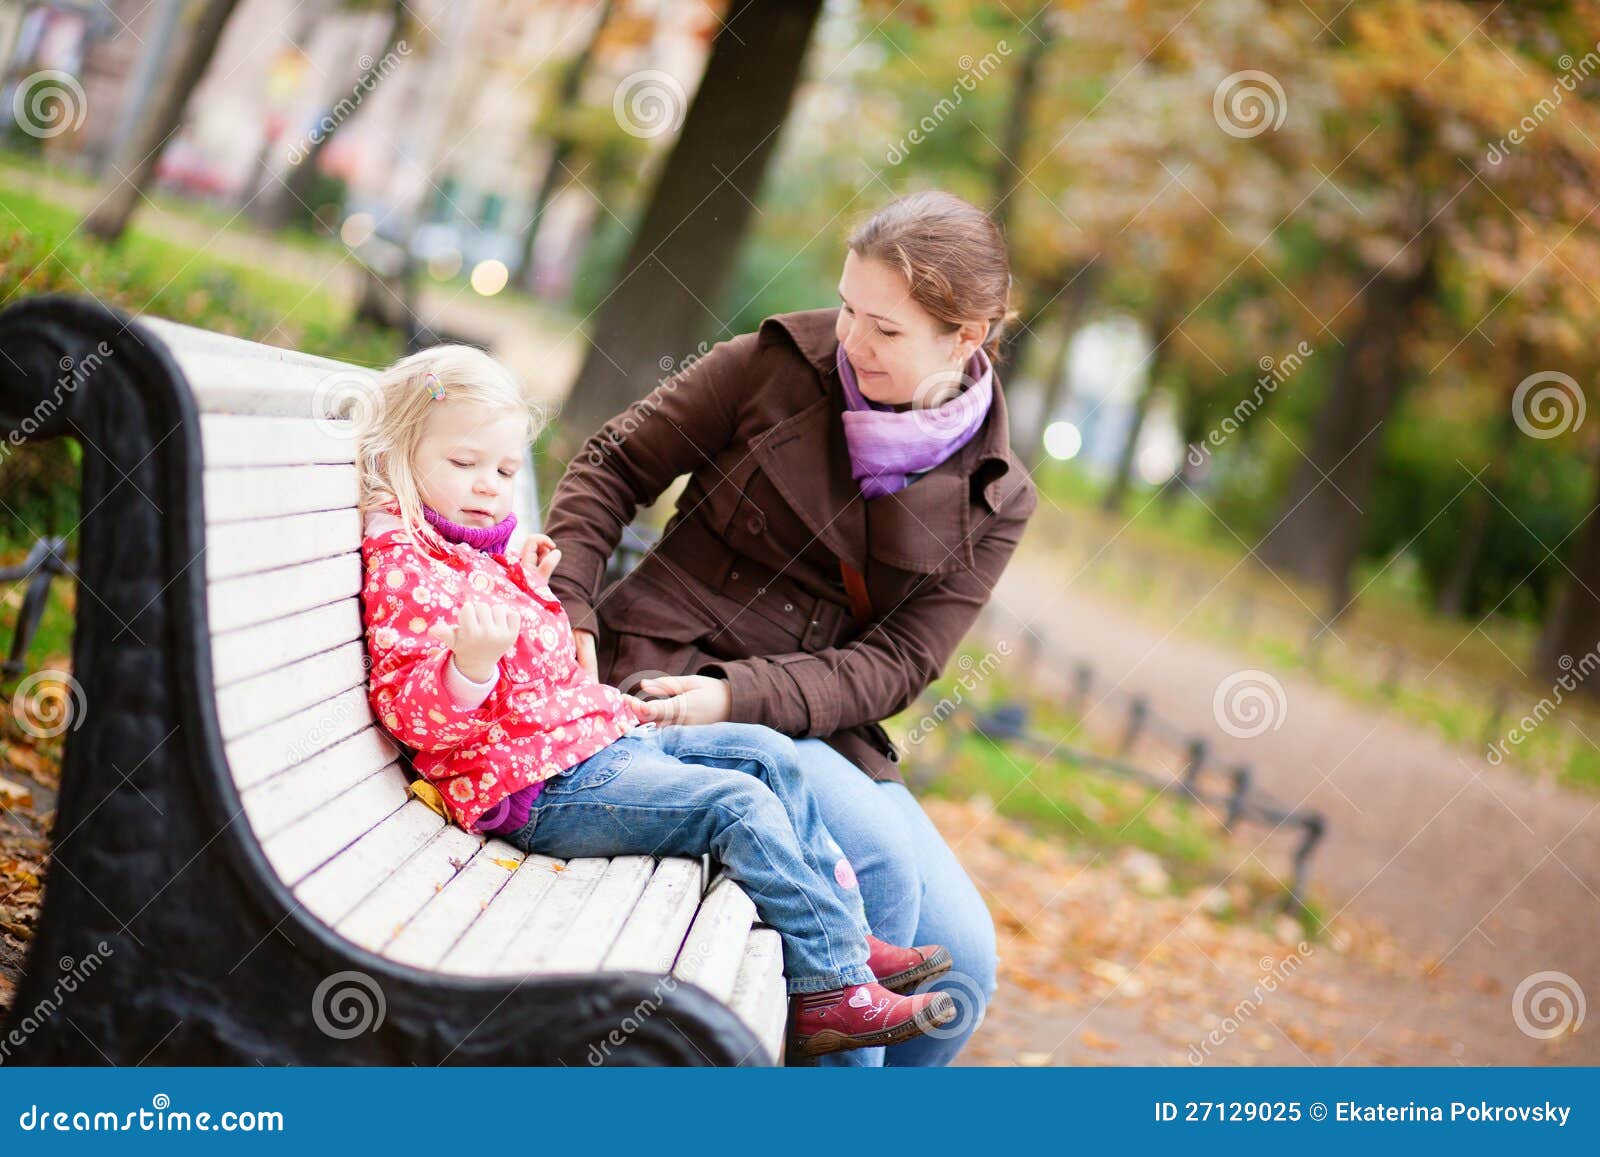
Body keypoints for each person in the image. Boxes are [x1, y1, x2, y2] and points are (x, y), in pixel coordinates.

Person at [545, 190, 1038, 1065]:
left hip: (810, 713)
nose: (851, 340)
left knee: (966, 963)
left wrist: (741, 696)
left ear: (965, 339)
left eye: (885, 329)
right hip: (665, 667)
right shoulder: (774, 365)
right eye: (849, 306)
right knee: (881, 868)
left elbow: (901, 661)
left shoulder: (996, 491)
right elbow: (612, 464)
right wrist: (573, 613)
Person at [354, 343, 955, 1058]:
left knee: (764, 753)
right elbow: (414, 711)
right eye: (464, 465)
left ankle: (843, 939)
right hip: (534, 786)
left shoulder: (472, 546)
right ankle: (831, 988)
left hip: (583, 743)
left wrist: (529, 585)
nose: (489, 486)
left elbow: (525, 653)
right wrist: (469, 669)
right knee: (735, 805)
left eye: (507, 470)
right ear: (400, 456)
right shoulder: (404, 564)